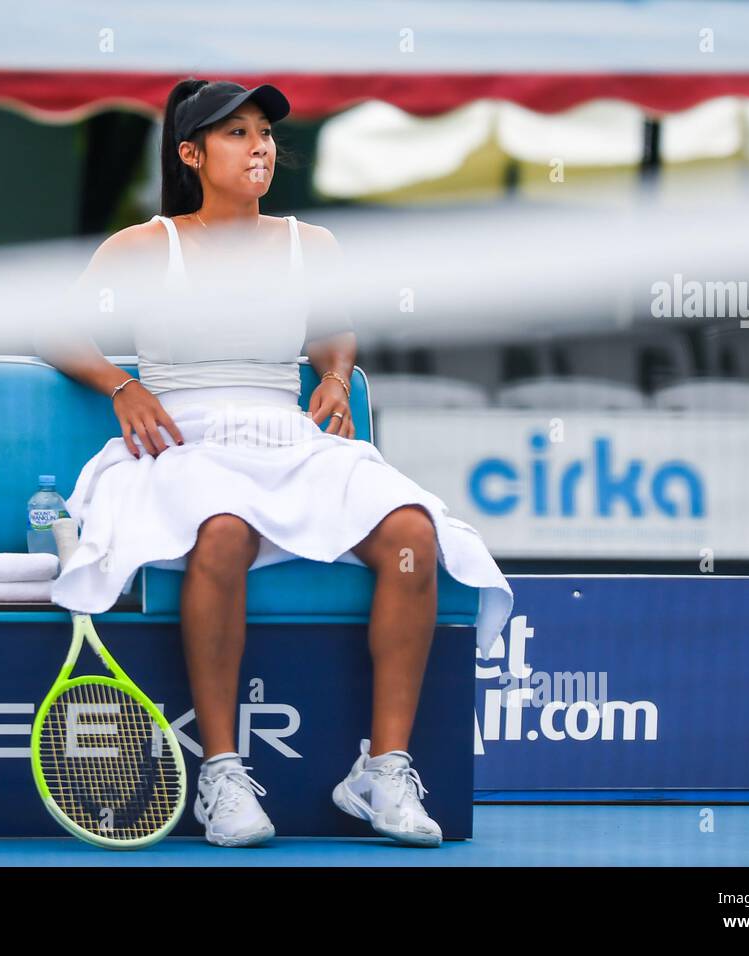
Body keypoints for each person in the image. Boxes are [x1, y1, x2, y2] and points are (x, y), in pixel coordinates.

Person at [39, 78, 513, 848]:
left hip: (288, 435)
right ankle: (222, 775)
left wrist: (332, 374)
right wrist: (122, 386)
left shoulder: (310, 244)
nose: (259, 145)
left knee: (413, 535)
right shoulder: (145, 245)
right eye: (236, 134)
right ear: (191, 155)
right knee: (223, 532)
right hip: (185, 439)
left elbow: (333, 334)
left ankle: (382, 771)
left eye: (264, 132)